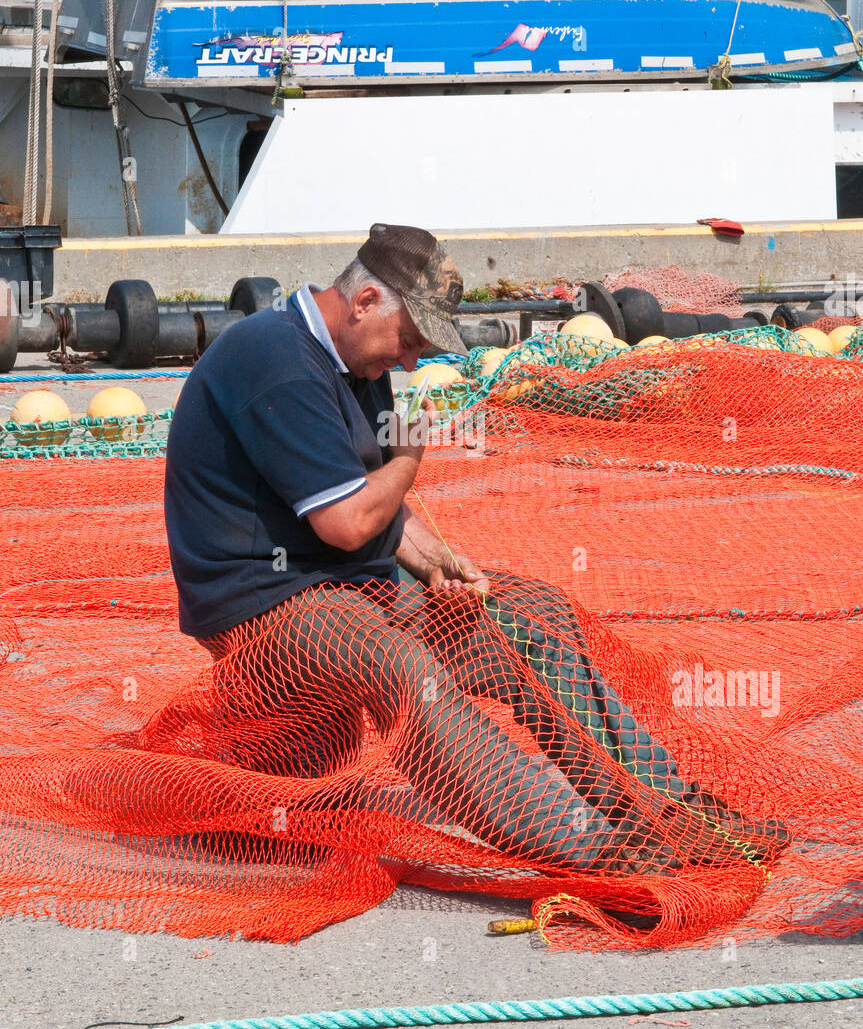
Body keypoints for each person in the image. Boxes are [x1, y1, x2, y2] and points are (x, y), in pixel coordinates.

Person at [163, 223, 787, 880]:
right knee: (398, 666)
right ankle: (597, 854)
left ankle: (664, 810)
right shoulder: (273, 358)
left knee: (528, 616)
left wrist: (432, 556)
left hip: (340, 583)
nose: (407, 362)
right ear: (366, 299)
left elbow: (366, 505)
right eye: (408, 340)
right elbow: (348, 522)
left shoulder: (355, 360)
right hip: (260, 604)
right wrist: (407, 461)